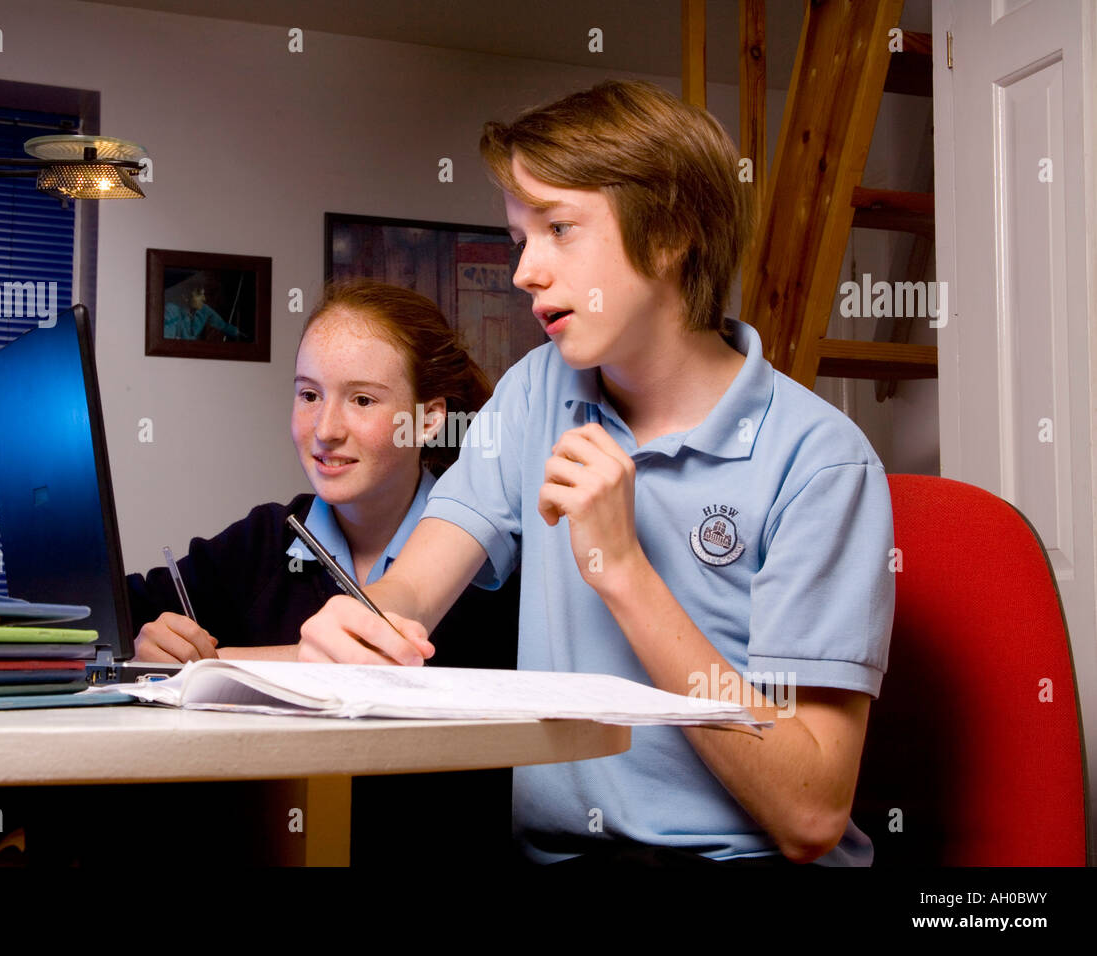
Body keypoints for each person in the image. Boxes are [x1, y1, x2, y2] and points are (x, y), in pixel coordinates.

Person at [297, 80, 895, 867]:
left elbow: (810, 813)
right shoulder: (534, 391)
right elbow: (414, 589)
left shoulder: (819, 462)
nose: (525, 272)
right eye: (520, 238)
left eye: (558, 228)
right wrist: (366, 621)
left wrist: (623, 570)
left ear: (672, 231)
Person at [128, 278, 519, 864]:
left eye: (362, 400)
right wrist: (147, 644)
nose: (325, 429)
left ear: (430, 419)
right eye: (309, 395)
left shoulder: (488, 569)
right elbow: (109, 611)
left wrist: (213, 667)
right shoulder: (265, 539)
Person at [163, 286, 241, 341]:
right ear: (185, 297)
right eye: (199, 294)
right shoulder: (171, 310)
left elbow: (222, 325)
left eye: (203, 294)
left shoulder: (204, 310)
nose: (204, 299)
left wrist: (239, 333)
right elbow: (167, 340)